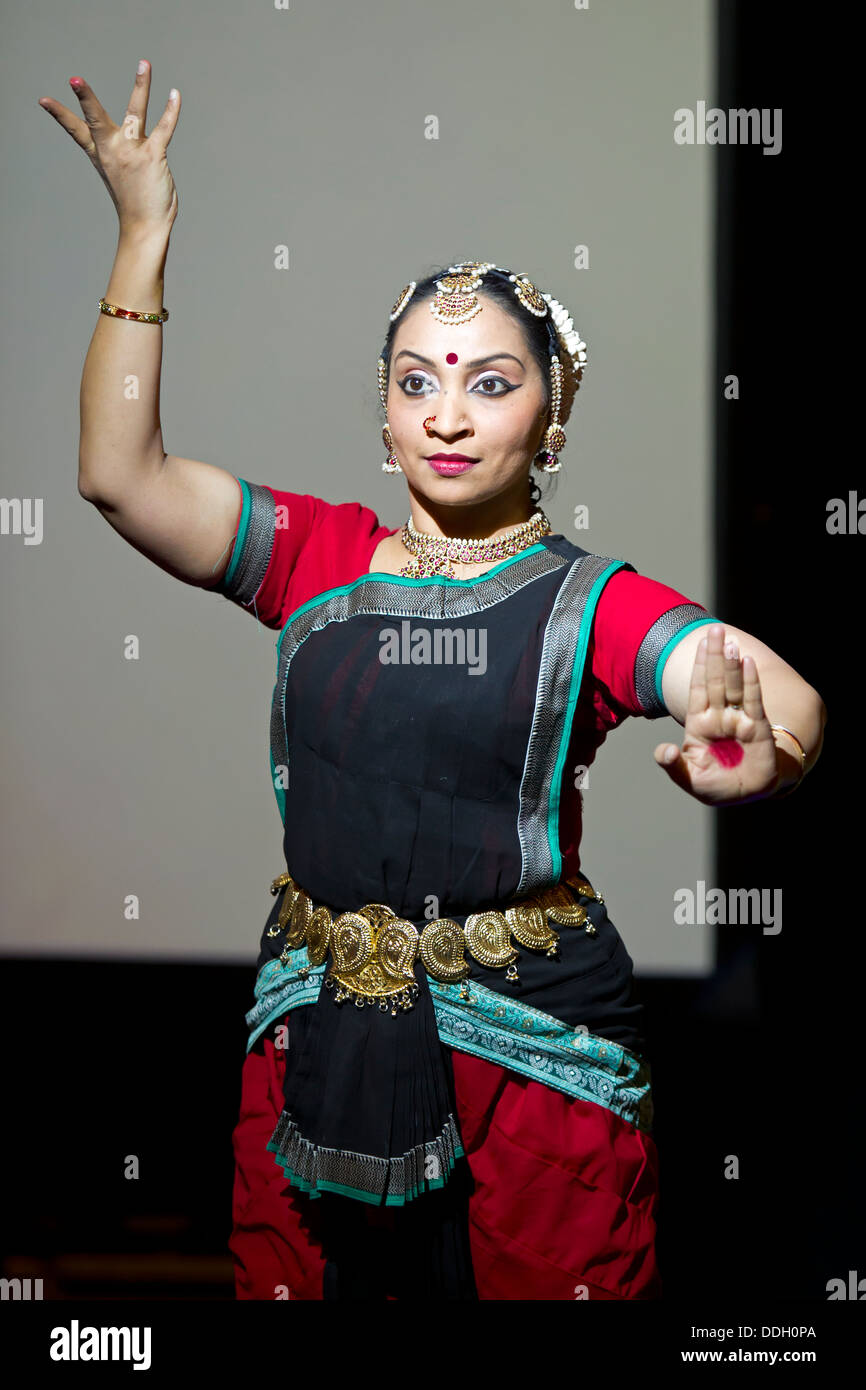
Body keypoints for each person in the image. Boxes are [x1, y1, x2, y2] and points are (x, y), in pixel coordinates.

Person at [42, 61, 827, 1302]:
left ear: (549, 418)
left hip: (532, 1067)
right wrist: (144, 235)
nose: (448, 414)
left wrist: (749, 744)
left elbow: (774, 697)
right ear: (387, 409)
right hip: (313, 1033)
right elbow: (116, 474)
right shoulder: (315, 557)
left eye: (488, 382)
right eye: (418, 380)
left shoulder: (589, 601)